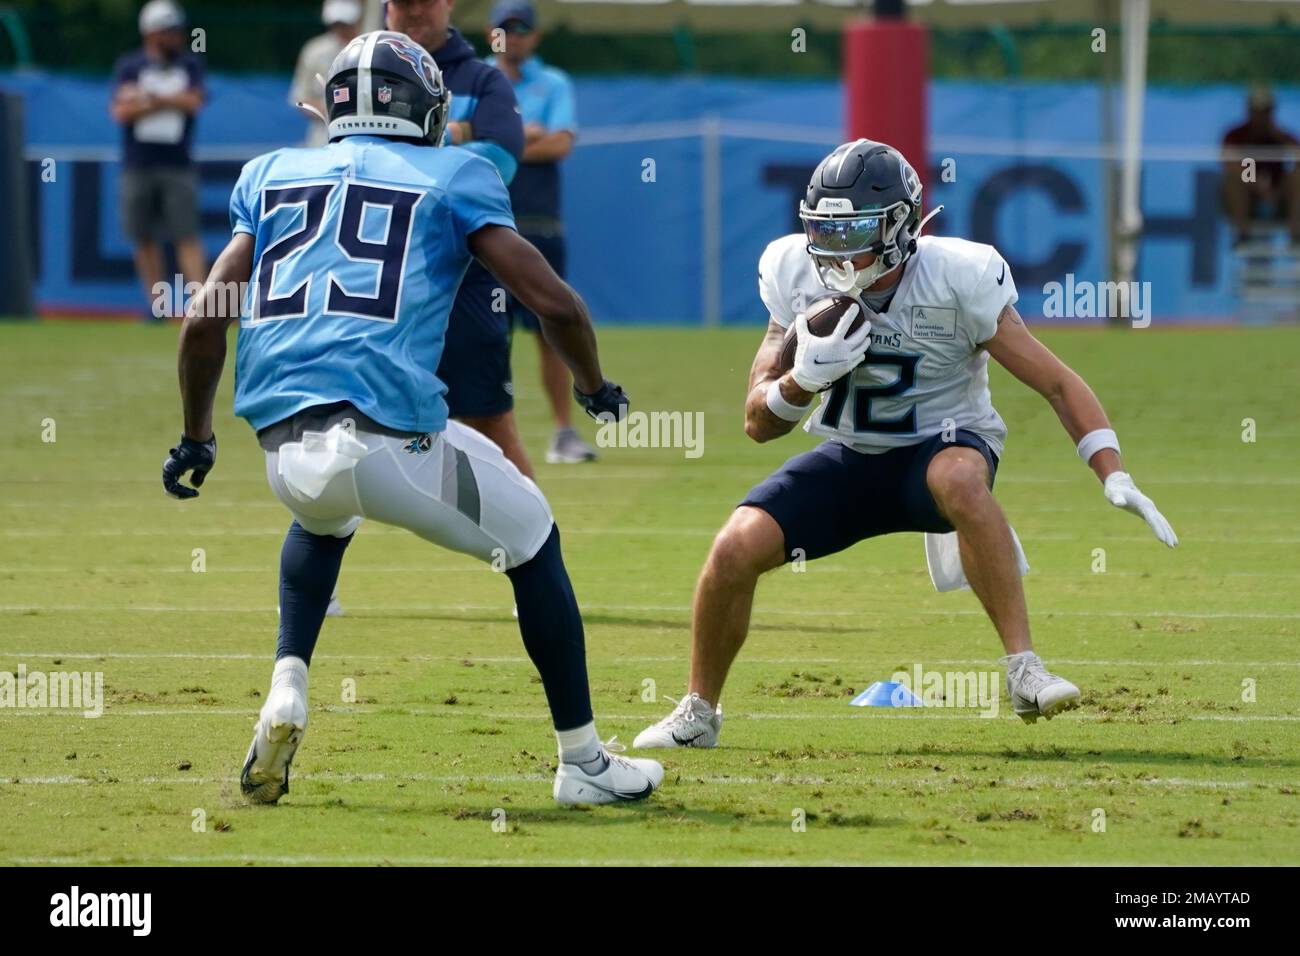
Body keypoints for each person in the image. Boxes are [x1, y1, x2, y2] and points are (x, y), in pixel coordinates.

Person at [162, 31, 662, 806]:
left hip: (283, 450)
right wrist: (594, 387)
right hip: (389, 440)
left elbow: (202, 323)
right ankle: (585, 764)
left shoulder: (271, 173)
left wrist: (196, 436)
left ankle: (286, 686)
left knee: (323, 520)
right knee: (531, 536)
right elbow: (554, 301)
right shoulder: (456, 173)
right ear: (424, 111)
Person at [633, 139, 1178, 749]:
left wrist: (1112, 471)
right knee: (734, 548)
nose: (834, 249)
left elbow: (1055, 381)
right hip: (851, 454)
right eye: (824, 230)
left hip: (945, 440)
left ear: (897, 226)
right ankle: (698, 711)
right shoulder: (793, 273)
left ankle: (1024, 669)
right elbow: (759, 422)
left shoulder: (958, 276)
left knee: (956, 480)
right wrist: (802, 379)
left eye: (854, 230)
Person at [386, 0, 534, 476]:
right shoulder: (363, 68)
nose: (413, 12)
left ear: (447, 3)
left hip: (464, 279)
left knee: (488, 420)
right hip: (377, 277)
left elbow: (499, 163)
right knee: (351, 422)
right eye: (402, 2)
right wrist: (452, 132)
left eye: (424, 1)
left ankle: (540, 548)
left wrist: (414, 137)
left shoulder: (483, 80)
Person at [486, 1, 596, 464]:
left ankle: (563, 433)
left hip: (540, 226)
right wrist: (524, 135)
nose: (514, 38)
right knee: (487, 335)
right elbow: (463, 143)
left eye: (522, 30)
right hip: (485, 225)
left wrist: (504, 140)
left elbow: (560, 144)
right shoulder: (477, 79)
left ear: (536, 35)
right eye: (505, 30)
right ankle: (486, 435)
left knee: (552, 327)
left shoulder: (553, 82)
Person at [110, 0, 206, 318]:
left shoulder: (189, 65)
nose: (176, 37)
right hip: (138, 165)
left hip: (177, 164)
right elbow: (120, 111)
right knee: (143, 237)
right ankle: (159, 309)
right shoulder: (130, 65)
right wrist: (167, 102)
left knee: (185, 234)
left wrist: (148, 98)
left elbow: (193, 101)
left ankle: (203, 307)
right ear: (151, 33)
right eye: (169, 31)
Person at [1221, 85, 1300, 249]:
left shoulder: (1282, 136)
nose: (1261, 117)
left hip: (1278, 194)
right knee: (1235, 178)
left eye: (1265, 111)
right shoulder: (1235, 135)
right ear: (1248, 110)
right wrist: (1257, 186)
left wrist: (1280, 138)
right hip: (1249, 195)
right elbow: (1230, 164)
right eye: (1257, 111)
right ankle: (1242, 235)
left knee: (1297, 177)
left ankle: (1296, 235)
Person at [288, 0, 364, 147]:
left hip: (366, 139)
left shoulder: (373, 48)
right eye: (336, 23)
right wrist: (336, 111)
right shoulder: (314, 51)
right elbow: (301, 99)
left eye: (345, 23)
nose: (340, 29)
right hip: (322, 141)